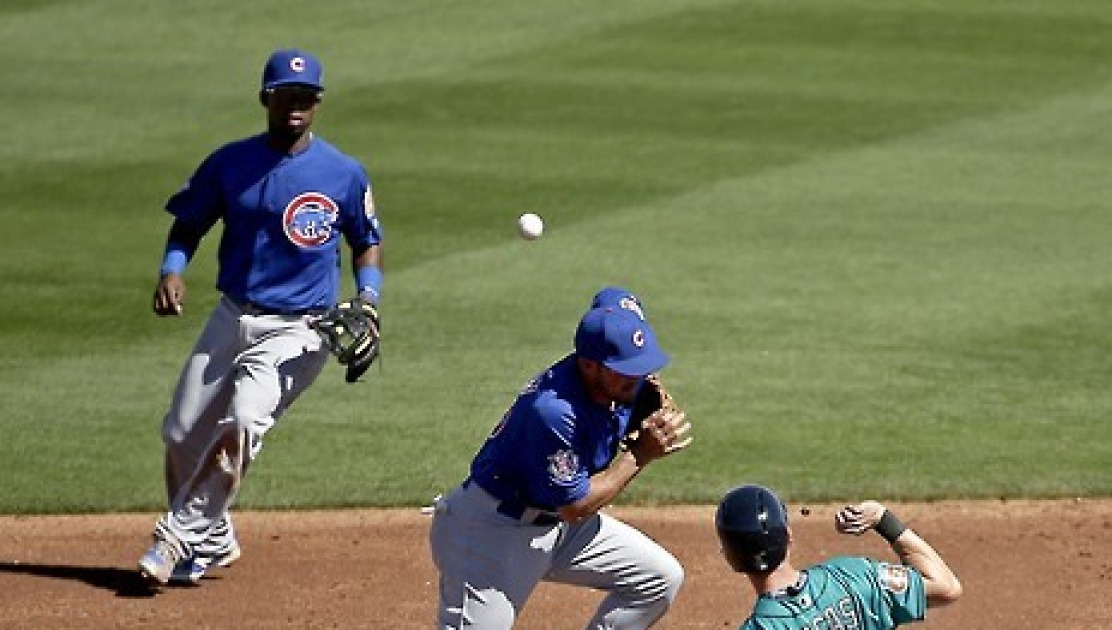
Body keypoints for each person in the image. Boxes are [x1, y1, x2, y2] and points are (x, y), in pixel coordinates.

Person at [137, 48, 385, 586]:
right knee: (181, 432)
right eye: (285, 95)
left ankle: (177, 536)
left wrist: (368, 300)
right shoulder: (229, 162)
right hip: (231, 316)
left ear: (317, 103)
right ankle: (214, 535)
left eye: (306, 97)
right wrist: (171, 270)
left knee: (246, 420)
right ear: (265, 99)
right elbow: (189, 223)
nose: (295, 105)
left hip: (300, 330)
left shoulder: (342, 172)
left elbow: (367, 242)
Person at [429, 301, 693, 629]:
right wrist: (640, 454)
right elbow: (576, 506)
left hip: (559, 529)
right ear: (589, 365)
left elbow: (615, 299)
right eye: (626, 370)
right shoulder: (554, 411)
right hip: (491, 535)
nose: (637, 379)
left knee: (657, 580)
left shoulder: (616, 380)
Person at [715, 485, 962, 629]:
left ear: (730, 557)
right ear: (789, 536)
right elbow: (946, 587)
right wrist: (882, 519)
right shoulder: (856, 577)